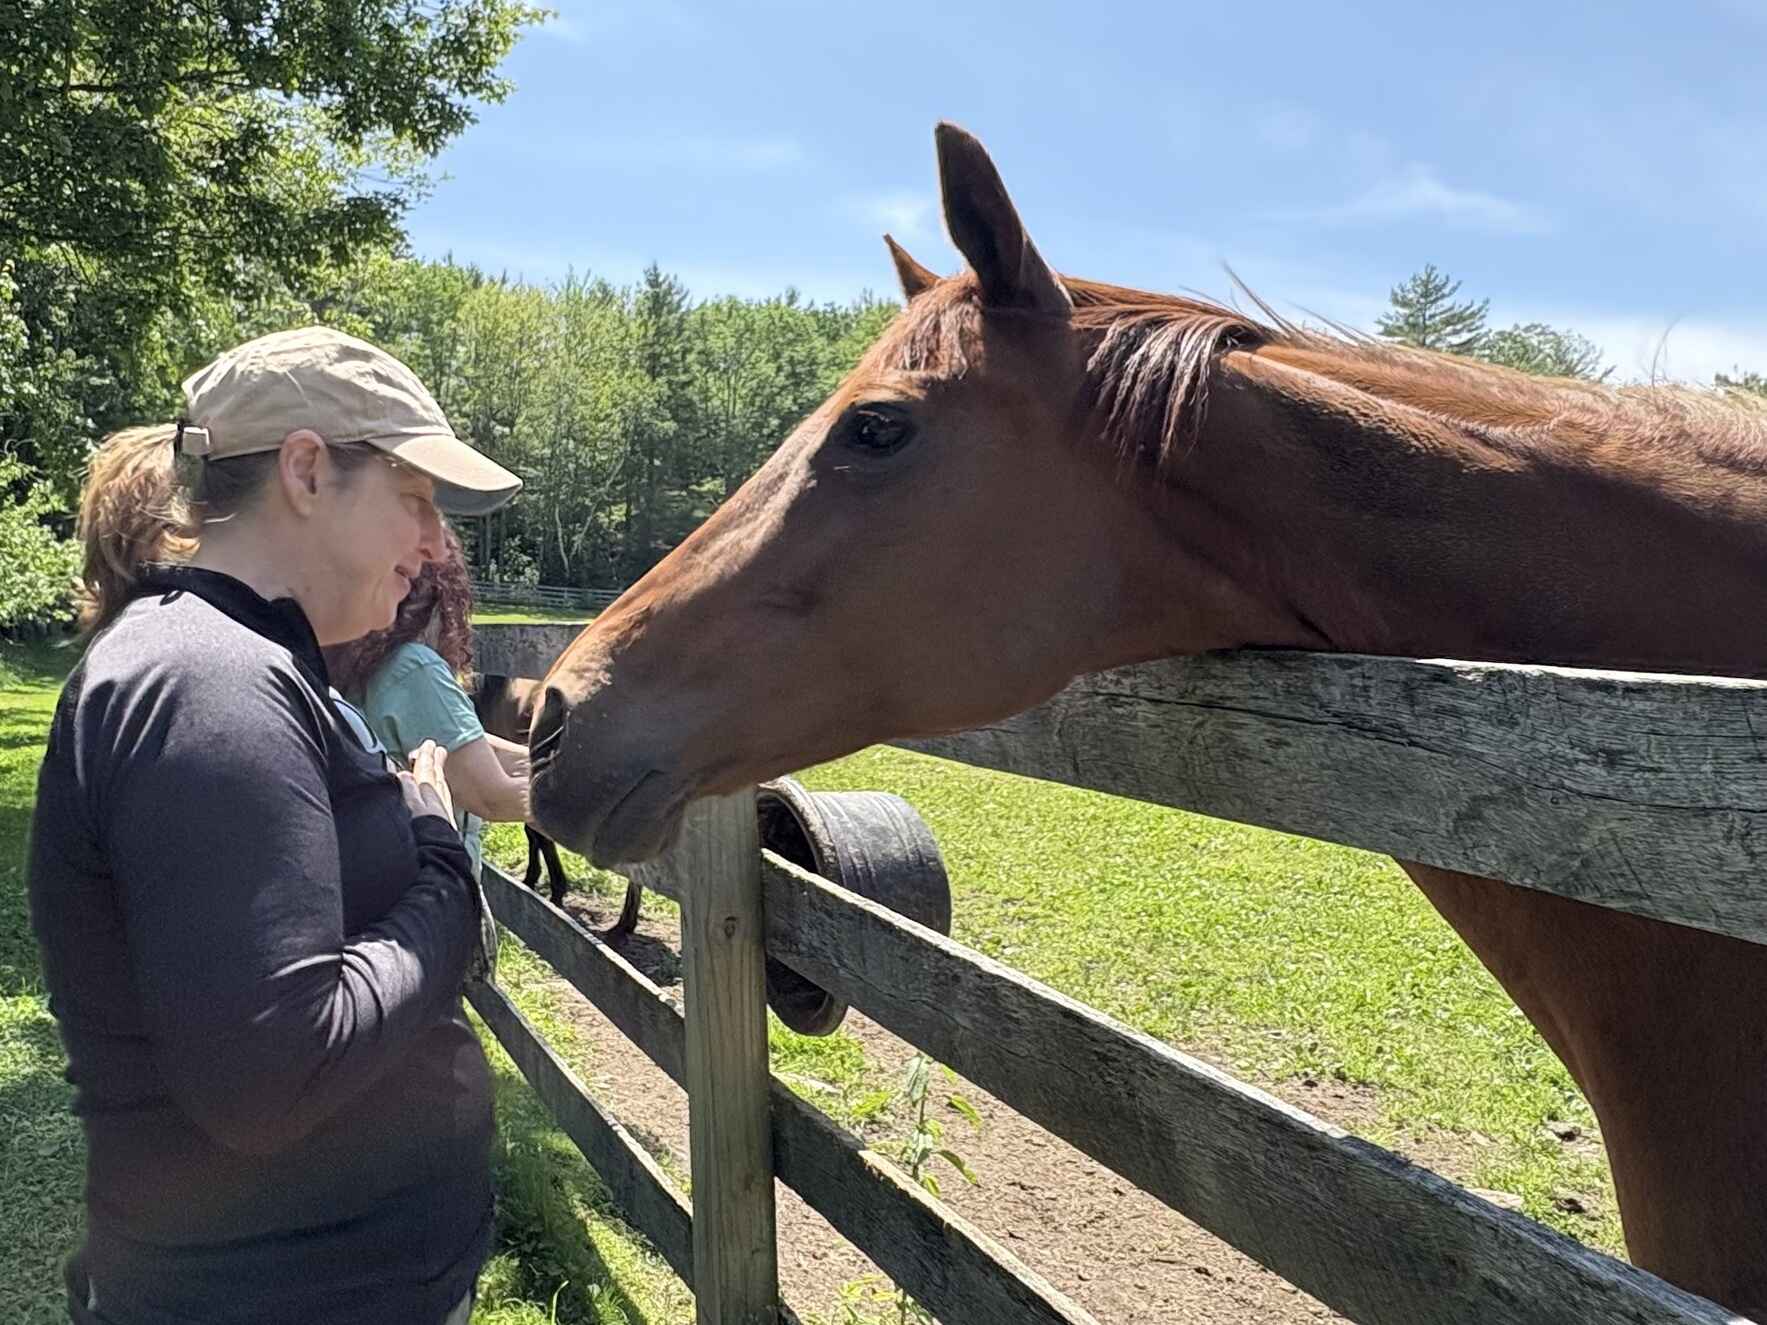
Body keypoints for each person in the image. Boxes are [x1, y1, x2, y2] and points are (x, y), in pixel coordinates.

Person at [28, 325, 522, 1325]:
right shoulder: (210, 685)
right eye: (416, 498)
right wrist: (441, 867)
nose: (433, 544)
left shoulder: (235, 665)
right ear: (306, 469)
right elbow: (274, 1069)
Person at [325, 524, 530, 895]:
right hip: (426, 888)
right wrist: (585, 800)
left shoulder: (356, 663)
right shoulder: (413, 666)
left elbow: (464, 745)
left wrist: (560, 765)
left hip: (370, 878)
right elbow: (489, 794)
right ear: (442, 597)